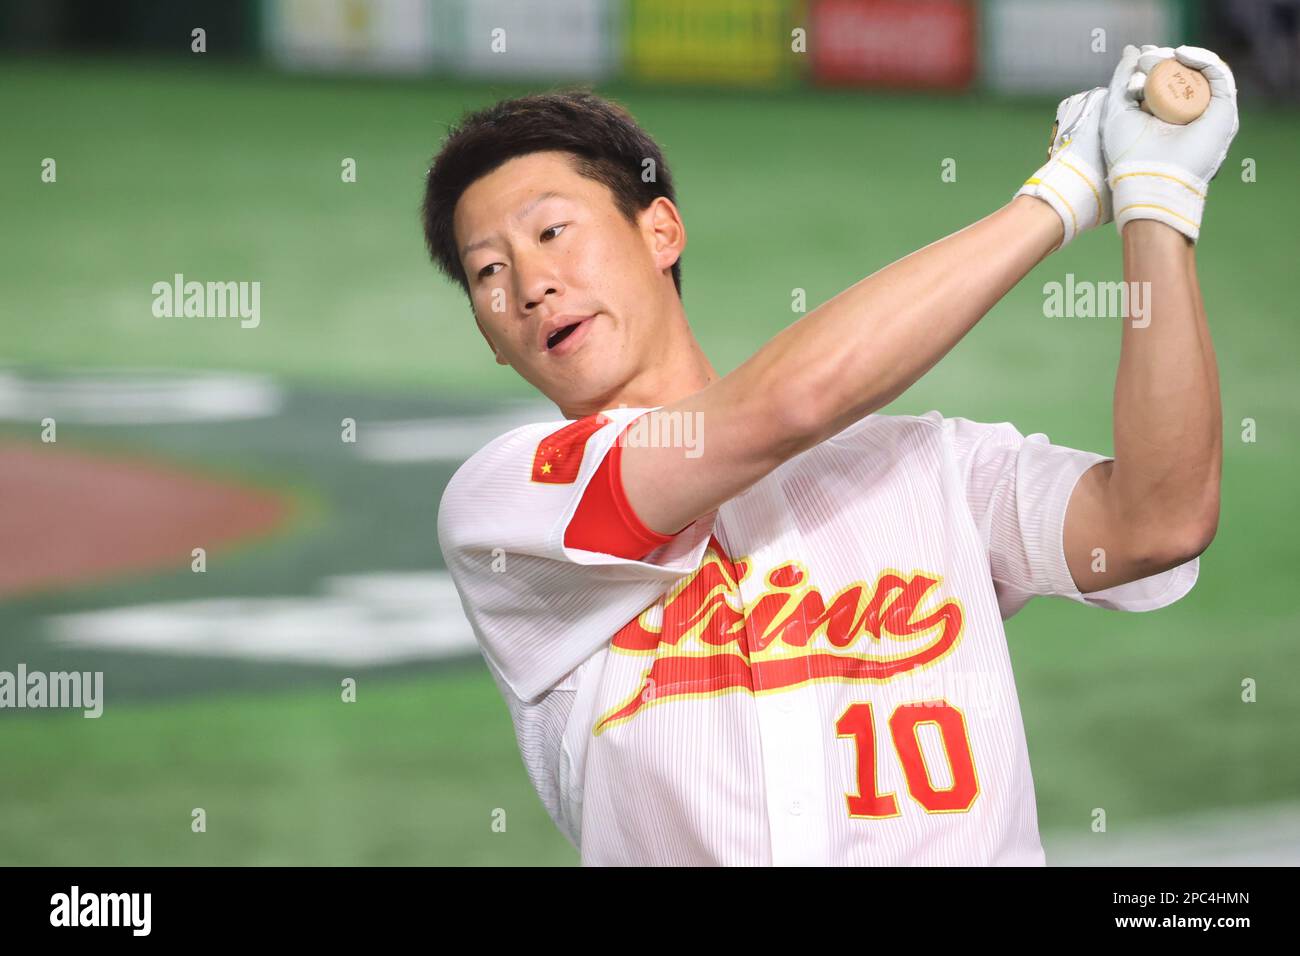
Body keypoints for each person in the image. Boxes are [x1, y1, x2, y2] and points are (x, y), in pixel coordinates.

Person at [426, 44, 1238, 865]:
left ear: (661, 230)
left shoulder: (931, 469)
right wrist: (1060, 195)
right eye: (489, 271)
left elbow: (1159, 519)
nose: (531, 283)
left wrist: (1157, 204)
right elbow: (786, 407)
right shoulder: (511, 511)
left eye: (552, 230)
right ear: (489, 337)